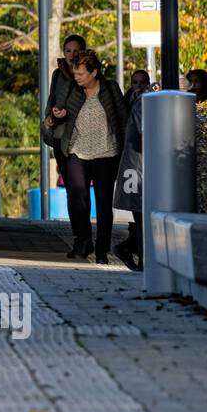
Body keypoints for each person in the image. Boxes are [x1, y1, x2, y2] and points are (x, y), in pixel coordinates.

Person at [57, 49, 127, 264]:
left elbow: (123, 118)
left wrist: (127, 149)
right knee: (78, 198)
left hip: (106, 152)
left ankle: (101, 250)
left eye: (81, 74)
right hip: (77, 150)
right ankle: (84, 240)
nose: (76, 77)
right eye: (75, 73)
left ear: (94, 72)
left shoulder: (110, 89)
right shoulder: (72, 89)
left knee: (104, 204)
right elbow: (59, 111)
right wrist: (57, 115)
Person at [113, 69, 152, 269]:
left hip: (134, 163)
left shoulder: (135, 102)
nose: (139, 86)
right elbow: (144, 132)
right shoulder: (137, 103)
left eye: (142, 82)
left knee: (139, 213)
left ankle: (131, 249)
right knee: (140, 213)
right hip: (137, 164)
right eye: (135, 82)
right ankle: (139, 255)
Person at [43, 34, 87, 163]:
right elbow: (51, 99)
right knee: (67, 177)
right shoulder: (57, 74)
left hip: (81, 135)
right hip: (59, 133)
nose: (72, 55)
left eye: (76, 51)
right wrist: (48, 117)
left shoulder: (88, 74)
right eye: (68, 51)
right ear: (64, 52)